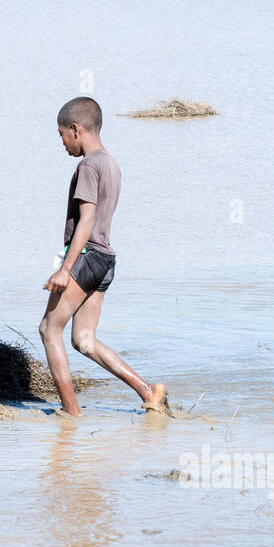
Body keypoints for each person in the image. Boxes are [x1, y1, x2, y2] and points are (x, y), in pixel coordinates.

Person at [39, 96, 167, 418]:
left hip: (85, 256)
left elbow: (87, 220)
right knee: (84, 340)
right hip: (105, 260)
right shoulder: (111, 163)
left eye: (62, 136)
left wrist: (65, 270)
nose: (63, 144)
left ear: (75, 129)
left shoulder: (88, 166)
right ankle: (148, 391)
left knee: (48, 329)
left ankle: (71, 411)